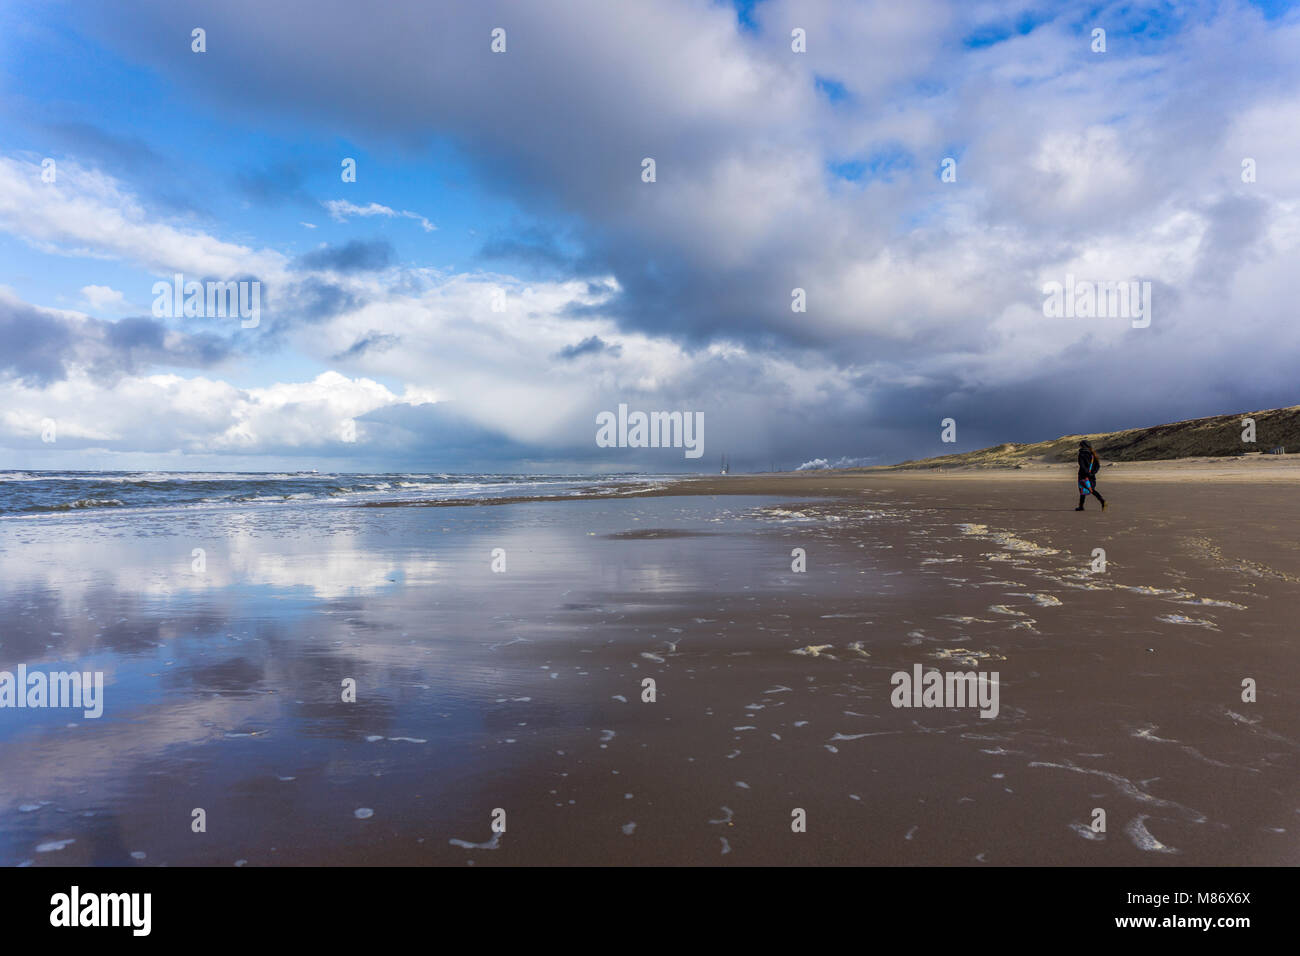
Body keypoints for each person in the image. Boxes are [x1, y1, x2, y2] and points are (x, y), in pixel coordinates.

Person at [1075, 440, 1105, 511]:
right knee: (1090, 489)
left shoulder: (1082, 454)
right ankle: (1081, 506)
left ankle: (1102, 501)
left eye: (1080, 445)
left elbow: (1082, 465)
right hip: (1092, 476)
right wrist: (1093, 473)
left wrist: (1087, 473)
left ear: (1083, 446)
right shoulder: (1093, 454)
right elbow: (1097, 465)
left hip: (1083, 475)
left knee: (1083, 490)